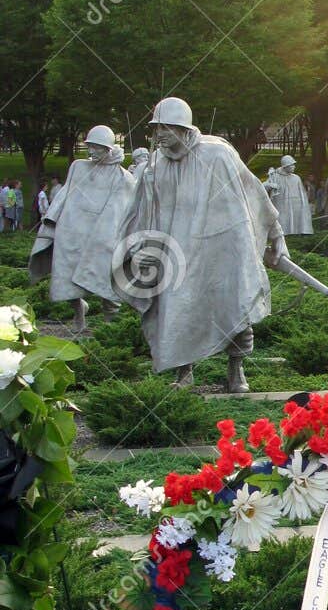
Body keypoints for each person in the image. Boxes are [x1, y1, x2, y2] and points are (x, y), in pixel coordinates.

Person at [113, 95, 287, 391]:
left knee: (236, 306)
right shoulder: (156, 165)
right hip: (177, 253)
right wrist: (136, 247)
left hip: (222, 248)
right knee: (175, 309)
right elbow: (140, 211)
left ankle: (236, 368)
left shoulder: (216, 154)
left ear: (183, 128)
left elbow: (253, 194)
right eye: (157, 130)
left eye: (166, 128)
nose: (160, 136)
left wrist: (277, 235)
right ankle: (184, 373)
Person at [27, 126, 134, 332]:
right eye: (90, 147)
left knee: (105, 282)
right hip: (73, 233)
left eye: (96, 148)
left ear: (108, 149)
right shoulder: (79, 167)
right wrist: (52, 219)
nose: (91, 152)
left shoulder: (124, 178)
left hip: (103, 238)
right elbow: (65, 194)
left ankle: (111, 325)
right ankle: (79, 314)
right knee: (66, 280)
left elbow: (125, 210)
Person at [271, 154, 313, 235]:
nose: (294, 167)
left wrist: (303, 206)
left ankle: (296, 233)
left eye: (294, 165)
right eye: (292, 165)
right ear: (285, 166)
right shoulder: (276, 177)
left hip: (295, 204)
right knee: (283, 222)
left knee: (295, 221)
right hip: (282, 205)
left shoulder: (296, 178)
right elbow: (271, 192)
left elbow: (302, 194)